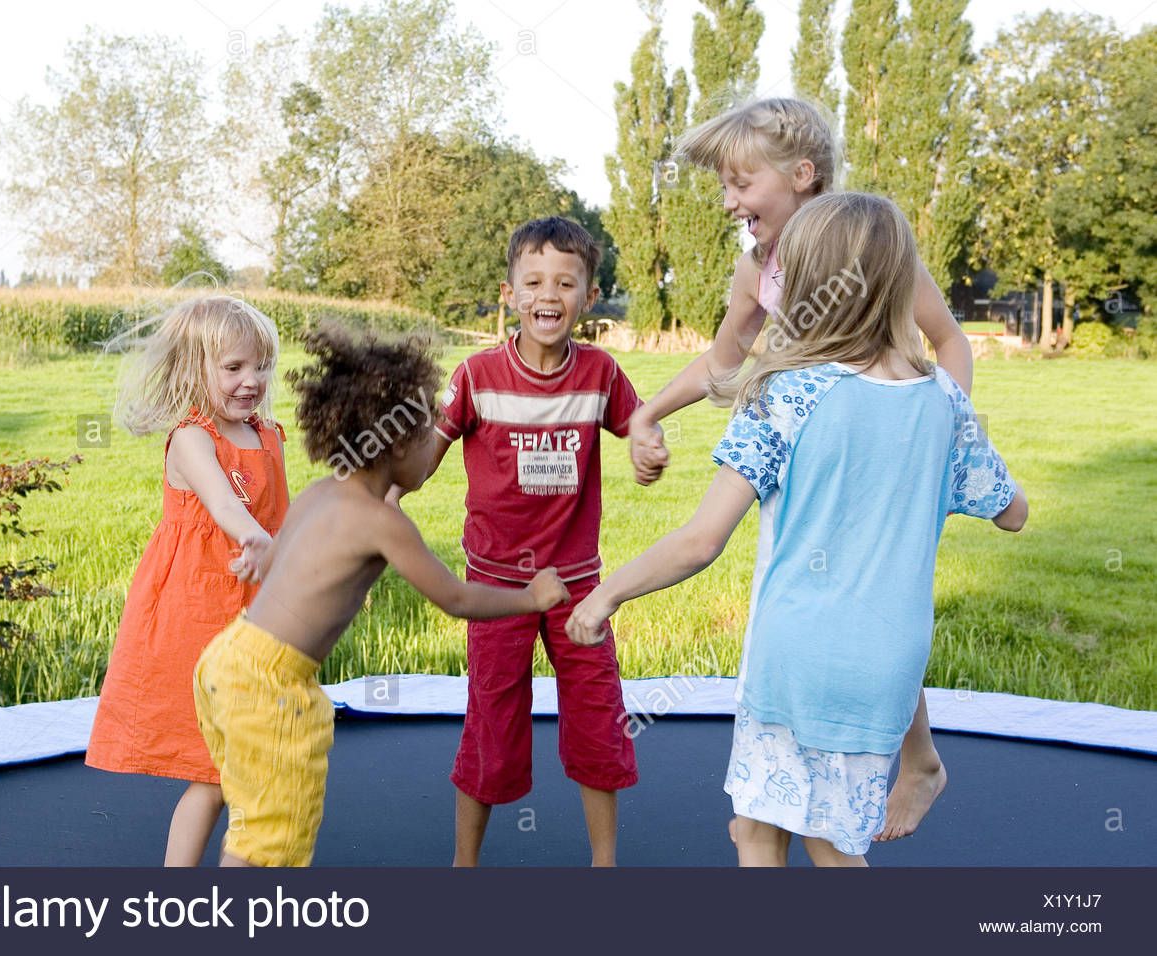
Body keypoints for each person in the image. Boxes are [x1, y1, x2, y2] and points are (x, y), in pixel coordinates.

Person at [568, 192, 1027, 865]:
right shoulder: (943, 403)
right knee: (834, 846)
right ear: (903, 286)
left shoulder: (786, 393)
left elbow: (700, 541)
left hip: (791, 662)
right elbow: (1012, 513)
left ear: (808, 285)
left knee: (757, 832)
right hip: (888, 669)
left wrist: (607, 594)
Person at [629, 97, 972, 841]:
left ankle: (916, 761)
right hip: (808, 456)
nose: (729, 201)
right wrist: (648, 413)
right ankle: (790, 805)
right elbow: (724, 363)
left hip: (883, 452)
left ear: (802, 175)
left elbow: (949, 342)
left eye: (741, 184)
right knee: (836, 598)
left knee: (874, 594)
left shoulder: (881, 256)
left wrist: (938, 432)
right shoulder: (756, 270)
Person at [192, 325, 570, 867]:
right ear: (395, 444)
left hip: (227, 657)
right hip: (269, 680)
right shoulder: (381, 522)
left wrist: (263, 559)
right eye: (427, 433)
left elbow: (275, 564)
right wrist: (531, 599)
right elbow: (457, 599)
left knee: (255, 819)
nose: (434, 443)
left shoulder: (319, 494)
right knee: (269, 836)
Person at [402, 216, 662, 867]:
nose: (550, 294)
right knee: (491, 724)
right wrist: (382, 497)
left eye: (566, 283)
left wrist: (647, 448)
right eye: (536, 281)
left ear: (589, 297)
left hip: (578, 586)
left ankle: (604, 864)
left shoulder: (600, 373)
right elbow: (423, 462)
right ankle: (466, 865)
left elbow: (639, 428)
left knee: (600, 719)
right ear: (510, 293)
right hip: (495, 587)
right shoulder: (477, 376)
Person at [85, 295, 288, 866]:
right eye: (234, 368)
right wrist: (255, 540)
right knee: (223, 765)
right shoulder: (191, 439)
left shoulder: (267, 434)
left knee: (235, 767)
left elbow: (281, 519)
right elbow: (228, 508)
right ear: (192, 369)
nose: (252, 380)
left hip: (255, 612)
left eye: (260, 366)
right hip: (195, 610)